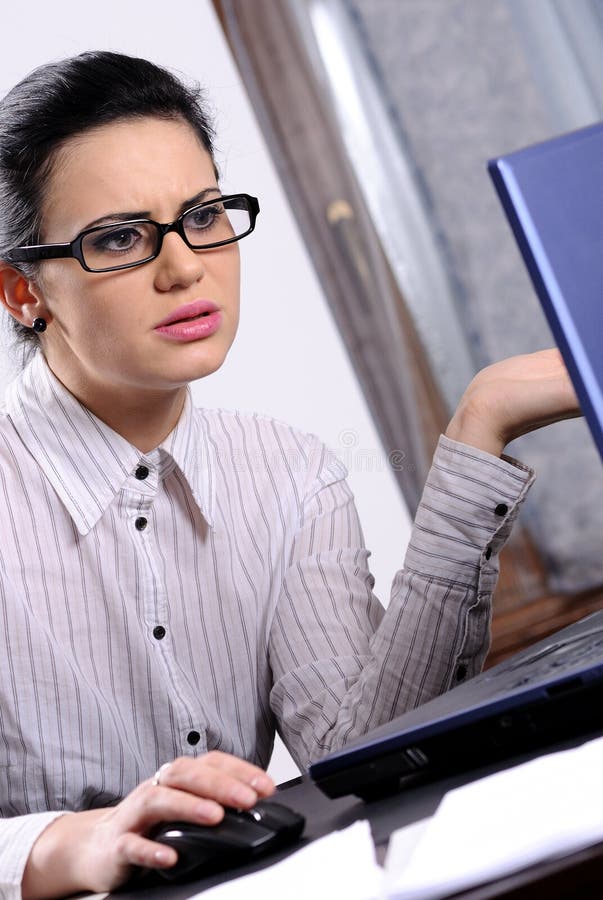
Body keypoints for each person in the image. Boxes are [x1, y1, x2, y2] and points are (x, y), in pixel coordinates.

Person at [0, 51, 579, 899]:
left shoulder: (289, 477)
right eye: (119, 237)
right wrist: (60, 848)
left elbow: (362, 750)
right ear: (22, 293)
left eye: (202, 215)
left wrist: (479, 429)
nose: (185, 266)